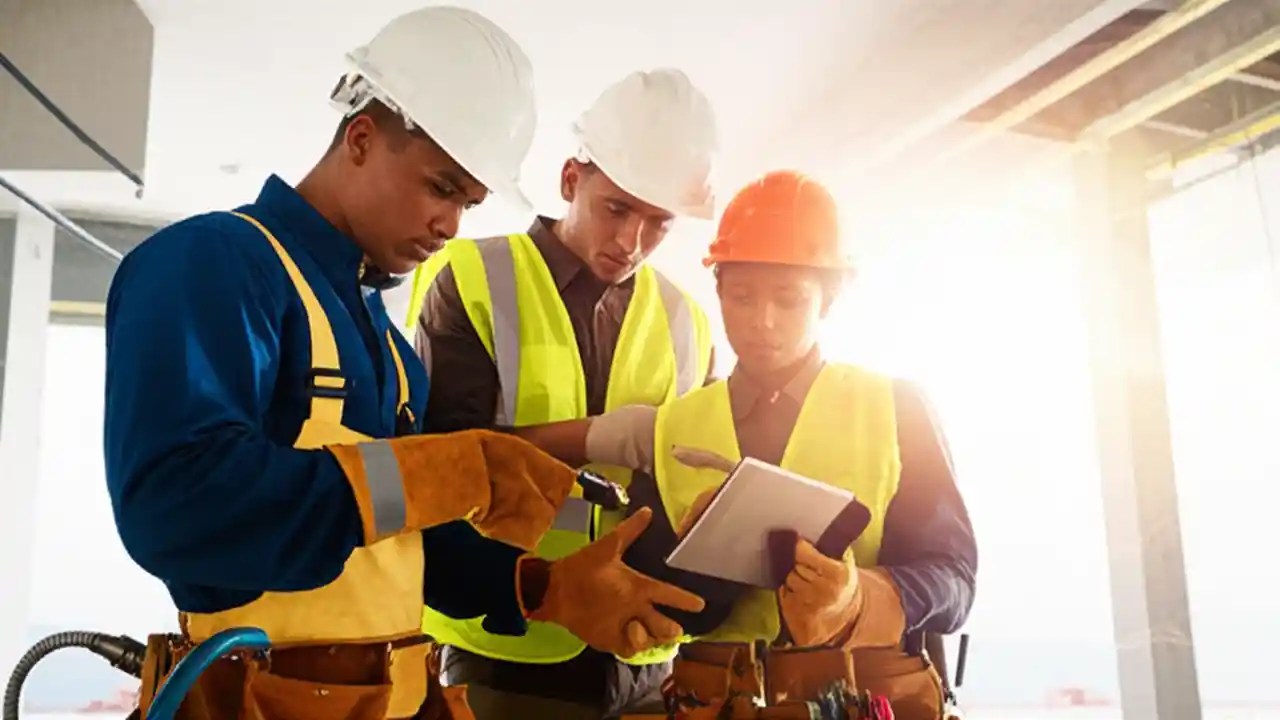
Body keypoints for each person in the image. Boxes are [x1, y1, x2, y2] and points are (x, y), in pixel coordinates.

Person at [102, 8, 703, 719]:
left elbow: (400, 544)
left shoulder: (383, 341)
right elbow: (174, 508)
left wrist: (542, 587)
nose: (451, 225)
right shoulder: (215, 265)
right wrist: (440, 471)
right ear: (360, 137)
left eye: (469, 204)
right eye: (441, 187)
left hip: (393, 695)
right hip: (264, 699)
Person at [404, 69, 719, 719]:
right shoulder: (468, 276)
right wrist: (594, 438)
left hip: (644, 655)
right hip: (510, 643)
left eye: (658, 222)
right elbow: (438, 465)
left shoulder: (686, 318)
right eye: (617, 209)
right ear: (572, 180)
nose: (632, 242)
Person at [618, 170, 979, 720]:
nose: (763, 321)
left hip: (860, 698)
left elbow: (954, 582)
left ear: (828, 300)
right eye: (742, 297)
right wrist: (698, 569)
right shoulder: (676, 427)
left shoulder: (895, 407)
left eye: (788, 300)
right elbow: (661, 607)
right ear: (719, 292)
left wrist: (861, 601)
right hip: (716, 702)